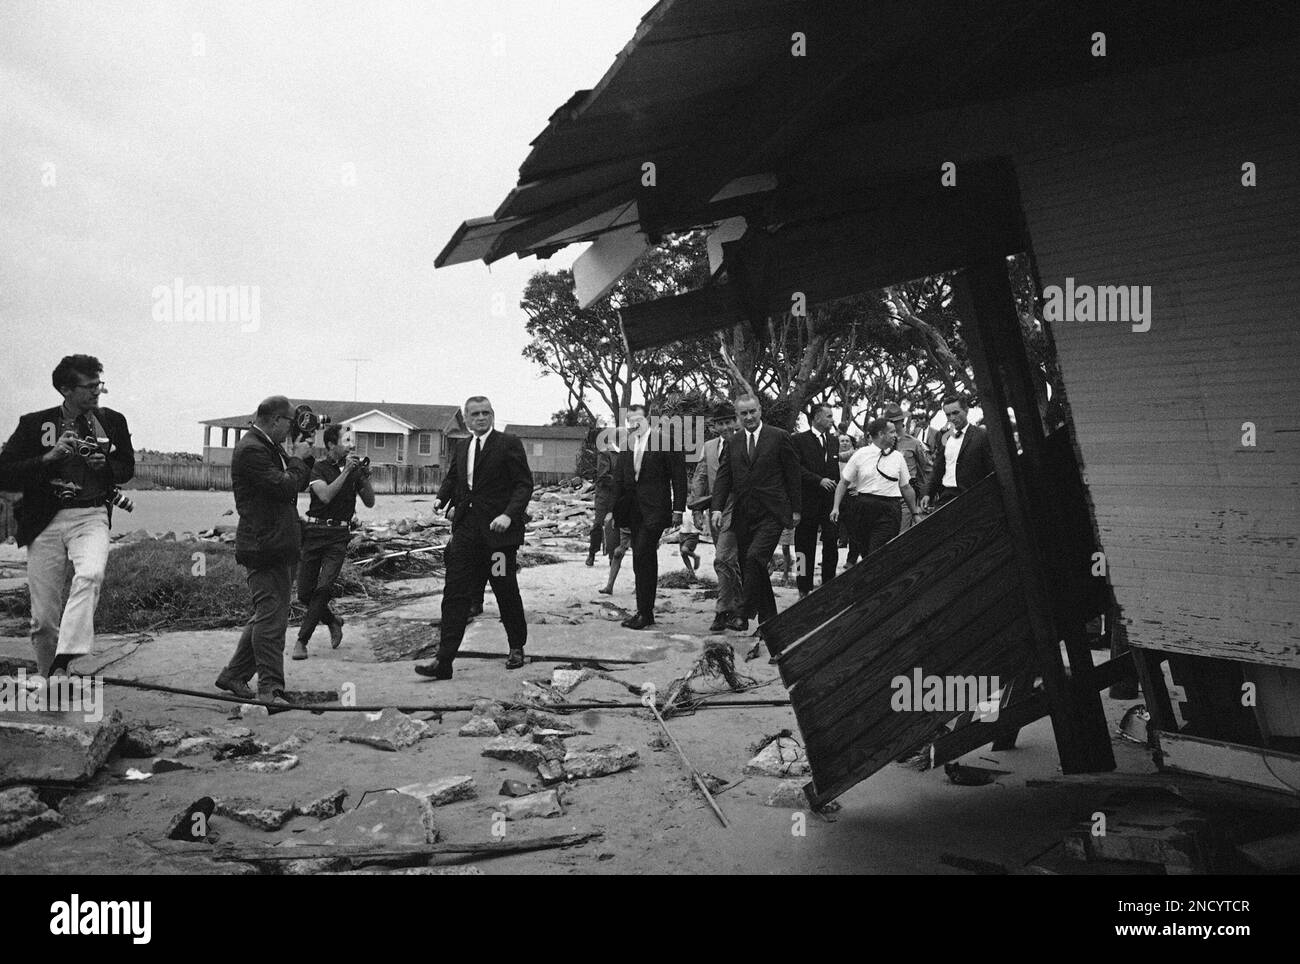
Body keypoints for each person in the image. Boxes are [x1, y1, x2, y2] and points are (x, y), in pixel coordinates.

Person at [0, 355, 134, 678]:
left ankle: (64, 659)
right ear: (65, 389)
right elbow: (4, 474)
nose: (96, 392)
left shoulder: (113, 421)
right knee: (43, 621)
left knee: (90, 575)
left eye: (98, 385)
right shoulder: (34, 424)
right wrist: (49, 457)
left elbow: (127, 467)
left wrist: (106, 467)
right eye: (88, 387)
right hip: (45, 522)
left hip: (92, 516)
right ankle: (52, 680)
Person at [416, 396, 533, 679]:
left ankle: (516, 646)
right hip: (466, 533)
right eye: (475, 414)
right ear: (466, 420)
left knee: (505, 590)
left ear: (493, 415)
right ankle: (444, 661)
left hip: (498, 540)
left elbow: (523, 484)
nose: (481, 418)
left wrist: (508, 515)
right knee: (454, 594)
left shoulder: (508, 444)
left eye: (486, 413)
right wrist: (440, 499)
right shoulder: (462, 445)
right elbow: (454, 479)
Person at [215, 396, 314, 704]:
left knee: (267, 614)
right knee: (272, 621)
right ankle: (270, 690)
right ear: (275, 421)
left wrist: (301, 459)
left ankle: (234, 676)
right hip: (264, 546)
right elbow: (286, 486)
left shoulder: (266, 445)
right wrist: (298, 458)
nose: (290, 430)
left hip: (273, 543)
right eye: (288, 423)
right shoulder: (253, 450)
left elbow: (293, 483)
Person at [710, 395, 801, 630]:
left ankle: (743, 613)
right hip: (744, 514)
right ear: (738, 416)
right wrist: (717, 508)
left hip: (773, 513)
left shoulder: (779, 437)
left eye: (752, 412)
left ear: (760, 410)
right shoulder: (734, 441)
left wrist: (796, 510)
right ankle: (769, 620)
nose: (749, 417)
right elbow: (723, 478)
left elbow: (793, 475)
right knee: (753, 566)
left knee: (754, 558)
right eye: (744, 413)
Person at [293, 424, 374, 660]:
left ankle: (302, 640)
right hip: (314, 531)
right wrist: (347, 472)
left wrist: (365, 478)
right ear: (330, 444)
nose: (351, 445)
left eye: (352, 441)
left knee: (324, 587)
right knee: (305, 594)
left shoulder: (354, 470)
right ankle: (333, 620)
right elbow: (326, 495)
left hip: (339, 536)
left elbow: (369, 502)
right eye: (346, 440)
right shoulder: (318, 468)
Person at [612, 404, 686, 630]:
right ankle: (645, 611)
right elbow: (619, 480)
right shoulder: (626, 445)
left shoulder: (665, 442)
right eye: (630, 420)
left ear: (647, 420)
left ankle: (644, 612)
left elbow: (679, 478)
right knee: (641, 558)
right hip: (632, 510)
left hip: (655, 509)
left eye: (638, 420)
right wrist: (612, 511)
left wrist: (678, 509)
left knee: (643, 552)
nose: (634, 424)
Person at [831, 417, 919, 558]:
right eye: (891, 432)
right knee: (866, 553)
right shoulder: (860, 454)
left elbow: (906, 487)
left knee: (877, 551)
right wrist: (835, 507)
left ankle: (877, 578)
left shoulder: (897, 457)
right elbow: (843, 482)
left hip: (889, 510)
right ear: (880, 434)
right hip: (864, 508)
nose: (895, 435)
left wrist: (915, 513)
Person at [690, 403, 741, 632]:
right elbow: (700, 476)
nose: (725, 427)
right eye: (720, 423)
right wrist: (696, 508)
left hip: (741, 509)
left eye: (729, 422)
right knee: (729, 561)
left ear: (736, 422)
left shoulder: (745, 443)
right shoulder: (709, 447)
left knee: (722, 558)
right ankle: (739, 607)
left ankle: (722, 611)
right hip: (716, 510)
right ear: (714, 426)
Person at [792, 403, 840, 597]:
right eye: (828, 416)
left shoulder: (833, 441)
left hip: (829, 504)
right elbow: (796, 469)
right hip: (807, 502)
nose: (832, 420)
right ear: (817, 417)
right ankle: (803, 586)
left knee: (831, 542)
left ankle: (828, 584)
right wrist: (818, 480)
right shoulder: (799, 440)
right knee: (803, 547)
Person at [922, 393, 995, 511]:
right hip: (947, 496)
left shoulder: (981, 436)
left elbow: (991, 469)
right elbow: (938, 468)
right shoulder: (943, 436)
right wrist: (928, 493)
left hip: (974, 497)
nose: (952, 418)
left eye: (955, 413)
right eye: (948, 415)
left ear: (966, 411)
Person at [883, 402, 931, 532]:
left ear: (902, 421)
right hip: (885, 494)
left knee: (901, 534)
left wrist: (926, 493)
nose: (892, 424)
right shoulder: (881, 443)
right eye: (889, 421)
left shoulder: (914, 443)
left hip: (906, 494)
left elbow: (927, 469)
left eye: (896, 421)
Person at [586, 426, 616, 568]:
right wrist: (619, 480)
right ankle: (592, 553)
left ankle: (612, 556)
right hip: (604, 495)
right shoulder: (605, 454)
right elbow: (603, 477)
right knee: (598, 524)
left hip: (616, 495)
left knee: (614, 526)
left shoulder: (623, 454)